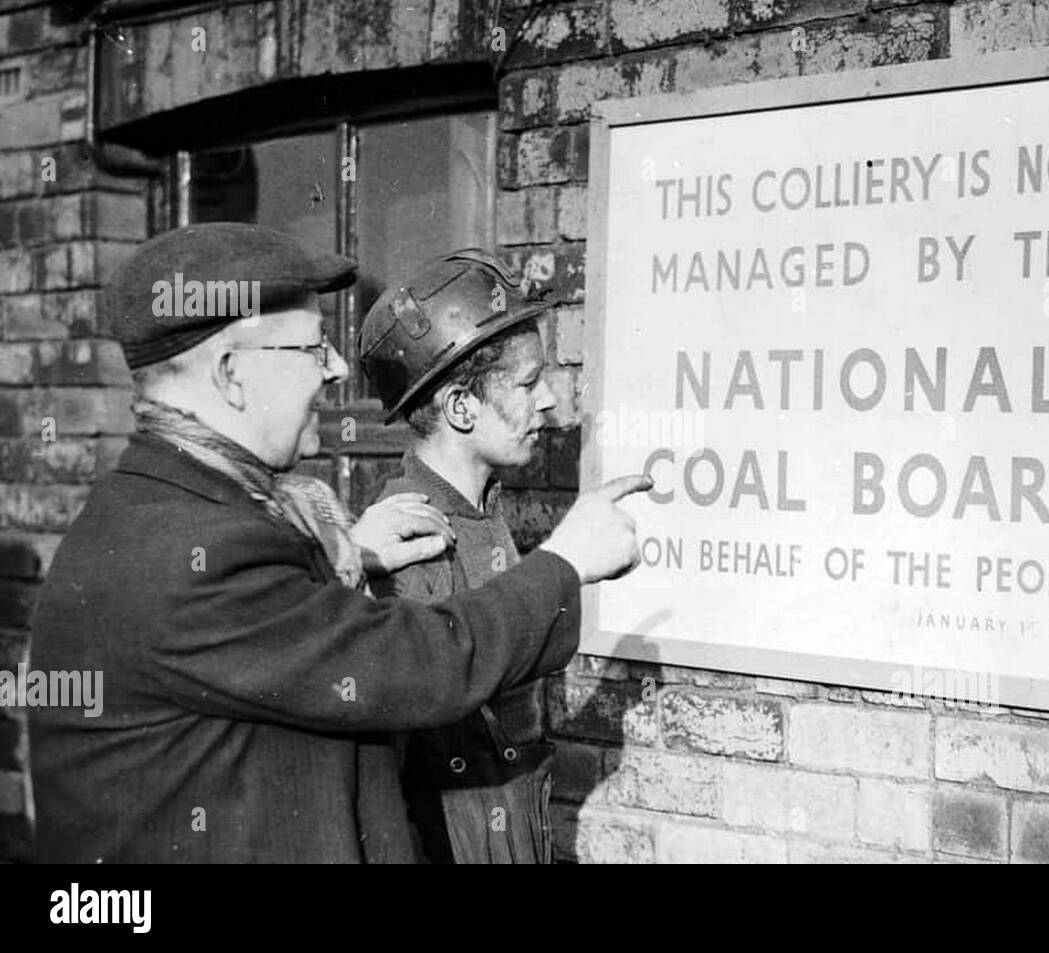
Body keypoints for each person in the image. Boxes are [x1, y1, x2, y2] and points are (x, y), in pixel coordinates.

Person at [28, 223, 648, 863]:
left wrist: (344, 557)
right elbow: (417, 665)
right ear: (232, 375)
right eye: (313, 349)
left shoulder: (184, 509)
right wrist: (566, 559)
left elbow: (278, 651)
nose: (337, 368)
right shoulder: (196, 551)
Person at [359, 249, 561, 863]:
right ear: (460, 408)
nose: (549, 399)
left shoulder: (481, 509)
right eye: (528, 383)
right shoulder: (415, 535)